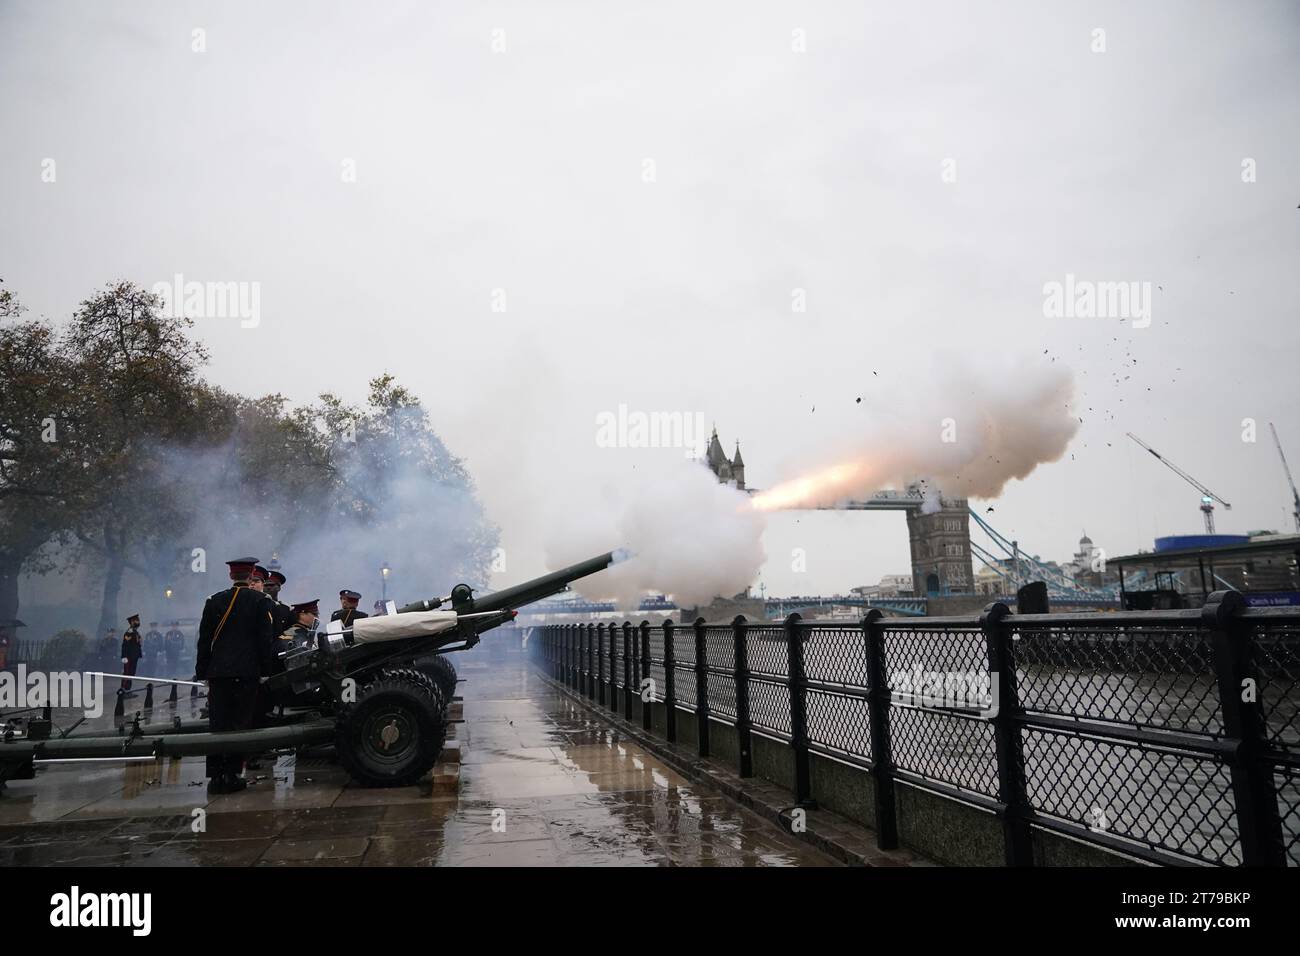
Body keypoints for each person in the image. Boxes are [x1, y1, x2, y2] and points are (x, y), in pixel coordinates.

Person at [195, 557, 275, 794]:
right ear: (251, 576)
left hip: (219, 672)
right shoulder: (261, 601)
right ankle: (232, 774)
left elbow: (204, 641)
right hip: (247, 671)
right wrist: (265, 671)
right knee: (240, 724)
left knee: (218, 724)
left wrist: (203, 672)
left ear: (231, 576)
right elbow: (264, 641)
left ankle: (215, 776)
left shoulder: (214, 601)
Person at [264, 569, 295, 636]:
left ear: (279, 588)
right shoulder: (257, 605)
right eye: (265, 585)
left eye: (271, 585)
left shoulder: (287, 610)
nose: (268, 587)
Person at [121, 614, 144, 690]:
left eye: (138, 620)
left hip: (134, 656)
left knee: (131, 673)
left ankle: (128, 689)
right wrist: (124, 656)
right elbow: (125, 644)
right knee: (127, 673)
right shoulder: (129, 632)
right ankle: (123, 690)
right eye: (136, 621)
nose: (138, 622)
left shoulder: (135, 632)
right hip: (129, 657)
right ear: (132, 622)